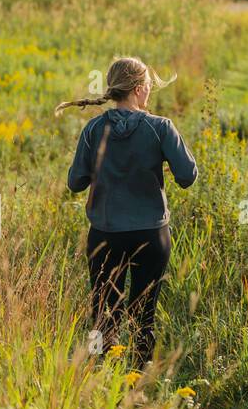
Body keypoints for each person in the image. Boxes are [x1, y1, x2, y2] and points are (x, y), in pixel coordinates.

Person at [59, 57, 198, 368]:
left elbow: (75, 182)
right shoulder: (161, 127)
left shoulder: (93, 129)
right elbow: (187, 177)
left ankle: (97, 369)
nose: (149, 93)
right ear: (138, 89)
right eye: (148, 87)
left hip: (105, 235)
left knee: (102, 310)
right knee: (144, 312)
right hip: (151, 234)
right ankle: (139, 376)